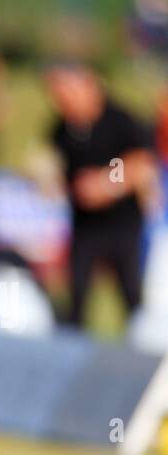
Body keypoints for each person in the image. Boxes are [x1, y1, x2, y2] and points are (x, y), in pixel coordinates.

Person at [46, 62, 159, 331]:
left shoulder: (120, 120)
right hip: (86, 227)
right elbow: (56, 168)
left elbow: (141, 164)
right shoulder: (62, 129)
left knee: (132, 296)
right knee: (77, 298)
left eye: (67, 92)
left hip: (123, 225)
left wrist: (106, 185)